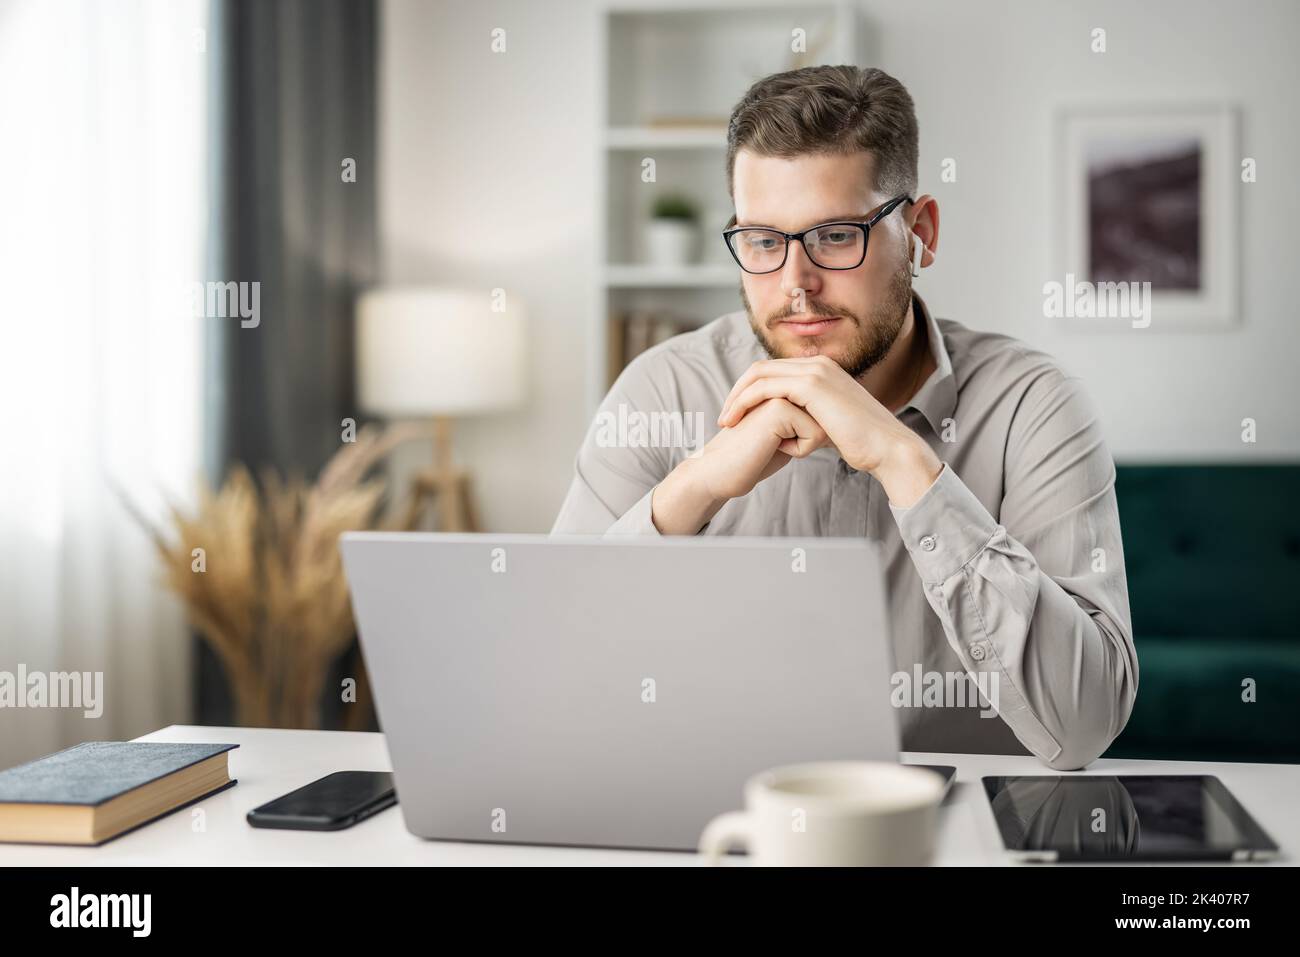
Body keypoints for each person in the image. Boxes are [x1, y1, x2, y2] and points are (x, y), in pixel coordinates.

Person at [553, 65, 1136, 771]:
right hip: (719, 826)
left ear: (920, 233)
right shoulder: (662, 391)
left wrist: (906, 464)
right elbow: (557, 673)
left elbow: (1085, 724)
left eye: (833, 235)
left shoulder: (1034, 406)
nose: (795, 284)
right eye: (764, 241)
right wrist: (693, 490)